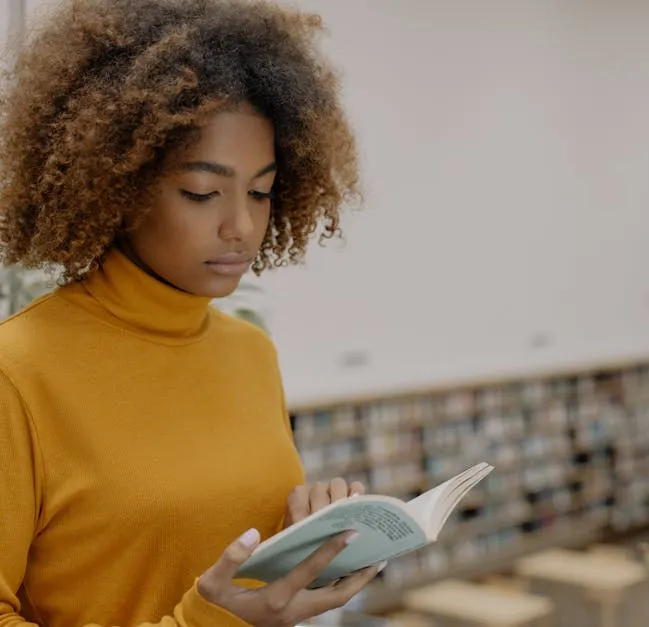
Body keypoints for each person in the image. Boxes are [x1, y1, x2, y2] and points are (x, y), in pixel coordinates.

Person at [0, 1, 380, 626]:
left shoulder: (250, 353)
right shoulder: (19, 374)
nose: (242, 226)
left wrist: (302, 543)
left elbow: (223, 554)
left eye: (261, 191)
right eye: (203, 193)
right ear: (115, 186)